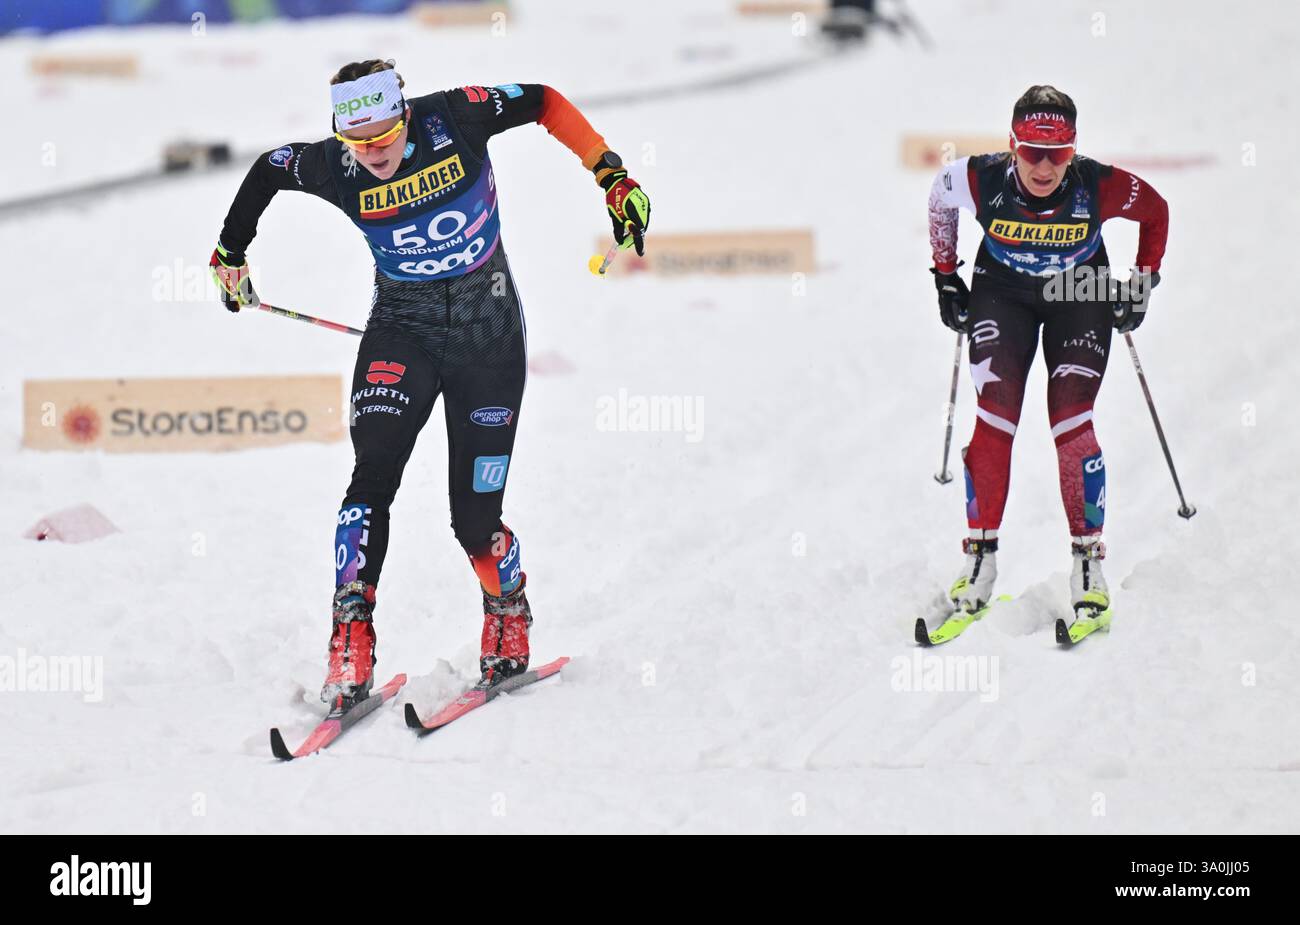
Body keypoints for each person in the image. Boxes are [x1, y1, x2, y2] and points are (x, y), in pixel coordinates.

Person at [209, 60, 650, 709]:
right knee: (372, 475)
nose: (376, 154)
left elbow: (547, 101)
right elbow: (271, 168)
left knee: (473, 520)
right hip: (402, 333)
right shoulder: (334, 165)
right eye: (361, 144)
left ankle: (507, 603)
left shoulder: (457, 116)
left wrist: (612, 176)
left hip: (487, 336)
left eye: (386, 135)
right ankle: (349, 642)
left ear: (406, 113)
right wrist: (230, 252)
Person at [926, 84, 1168, 631]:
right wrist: (945, 277)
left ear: (1073, 150)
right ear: (1011, 146)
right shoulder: (979, 177)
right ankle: (980, 561)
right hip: (1001, 293)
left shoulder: (1098, 185)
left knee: (1071, 419)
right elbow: (940, 199)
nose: (1043, 166)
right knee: (995, 417)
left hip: (1078, 294)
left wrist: (1143, 281)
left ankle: (1088, 565)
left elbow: (1157, 212)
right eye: (1031, 151)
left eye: (1056, 154)